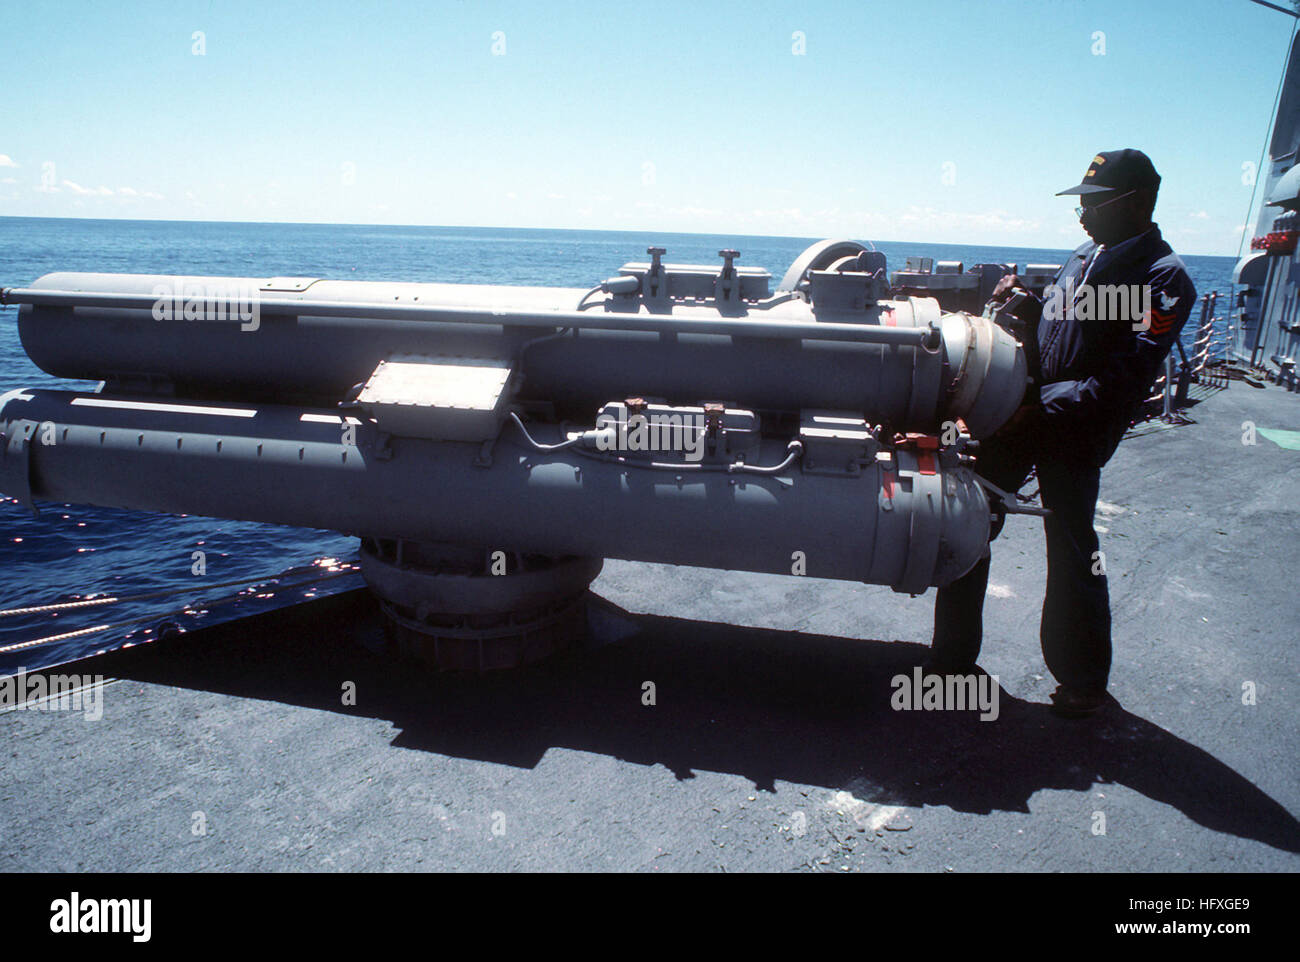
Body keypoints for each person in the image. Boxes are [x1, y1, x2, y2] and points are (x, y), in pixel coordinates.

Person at [927, 148, 1197, 718]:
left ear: (1136, 203)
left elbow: (1122, 380)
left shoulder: (1163, 278)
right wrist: (1021, 311)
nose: (1081, 215)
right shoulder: (1082, 257)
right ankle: (952, 662)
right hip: (1021, 417)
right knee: (969, 524)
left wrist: (1035, 406)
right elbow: (1052, 337)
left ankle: (1082, 681)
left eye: (1093, 203)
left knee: (1073, 553)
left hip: (1073, 433)